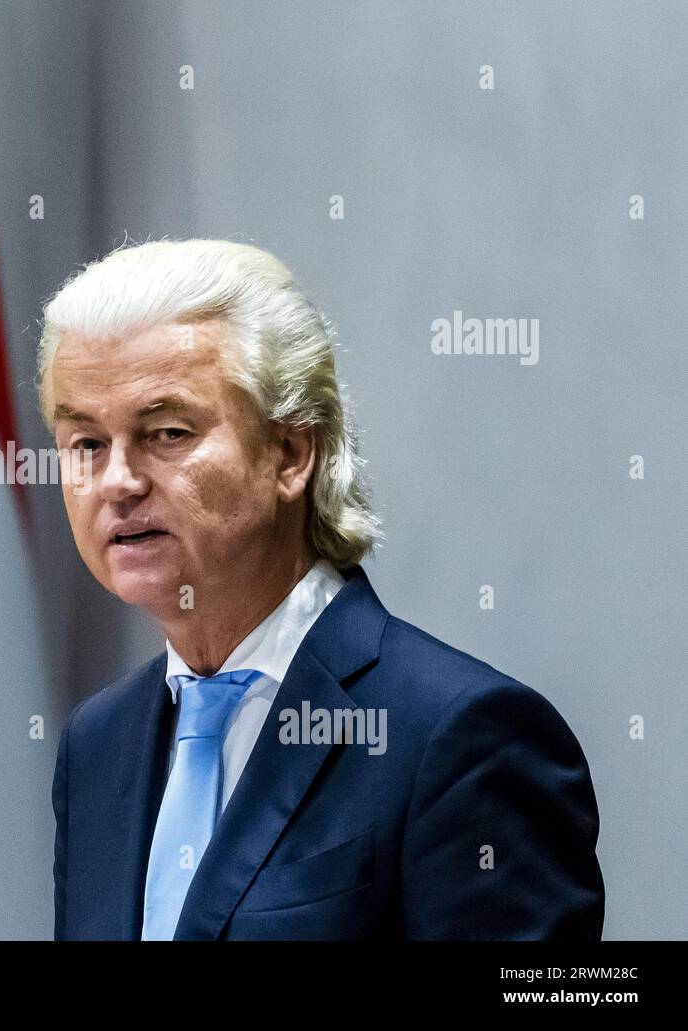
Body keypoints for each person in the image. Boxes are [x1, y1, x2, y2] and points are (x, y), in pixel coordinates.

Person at [42, 239, 604, 940]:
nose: (117, 480)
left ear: (290, 453)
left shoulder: (459, 736)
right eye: (86, 444)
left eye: (166, 432)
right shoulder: (99, 744)